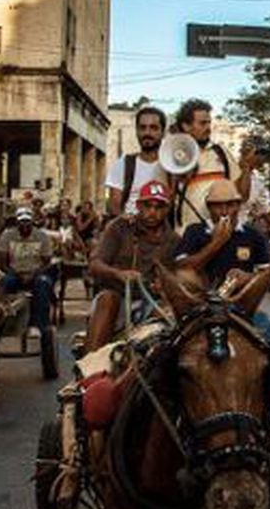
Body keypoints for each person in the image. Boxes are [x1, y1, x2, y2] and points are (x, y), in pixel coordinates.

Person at [174, 179, 270, 427]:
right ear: (209, 207)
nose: (224, 211)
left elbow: (265, 275)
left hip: (241, 311)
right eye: (217, 206)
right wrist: (215, 243)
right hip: (199, 309)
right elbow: (182, 269)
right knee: (169, 350)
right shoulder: (195, 233)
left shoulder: (253, 236)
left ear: (238, 205)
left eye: (230, 205)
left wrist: (246, 277)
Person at [84, 181, 180, 352]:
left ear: (167, 209)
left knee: (172, 319)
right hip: (117, 298)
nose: (152, 212)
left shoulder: (174, 241)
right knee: (107, 300)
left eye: (159, 207)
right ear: (138, 205)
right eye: (147, 206)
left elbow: (177, 275)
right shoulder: (119, 227)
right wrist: (118, 274)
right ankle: (90, 367)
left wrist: (164, 285)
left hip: (151, 302)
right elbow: (95, 265)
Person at [173, 99, 251, 233]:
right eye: (202, 123)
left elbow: (241, 195)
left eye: (209, 122)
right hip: (185, 235)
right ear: (186, 126)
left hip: (220, 233)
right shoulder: (173, 154)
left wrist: (246, 168)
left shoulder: (221, 152)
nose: (208, 128)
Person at [0, 208, 56, 334]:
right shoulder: (7, 236)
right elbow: (3, 263)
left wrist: (34, 274)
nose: (25, 225)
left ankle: (37, 324)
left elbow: (47, 262)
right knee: (4, 283)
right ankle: (3, 320)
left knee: (43, 285)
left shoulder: (42, 237)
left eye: (27, 222)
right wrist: (16, 273)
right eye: (22, 222)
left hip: (36, 273)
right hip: (14, 272)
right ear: (17, 223)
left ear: (32, 223)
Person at [105, 107, 170, 218]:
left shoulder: (171, 166)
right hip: (131, 231)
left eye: (153, 128)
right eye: (142, 128)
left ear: (163, 132)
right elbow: (114, 206)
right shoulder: (123, 164)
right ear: (136, 131)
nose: (147, 133)